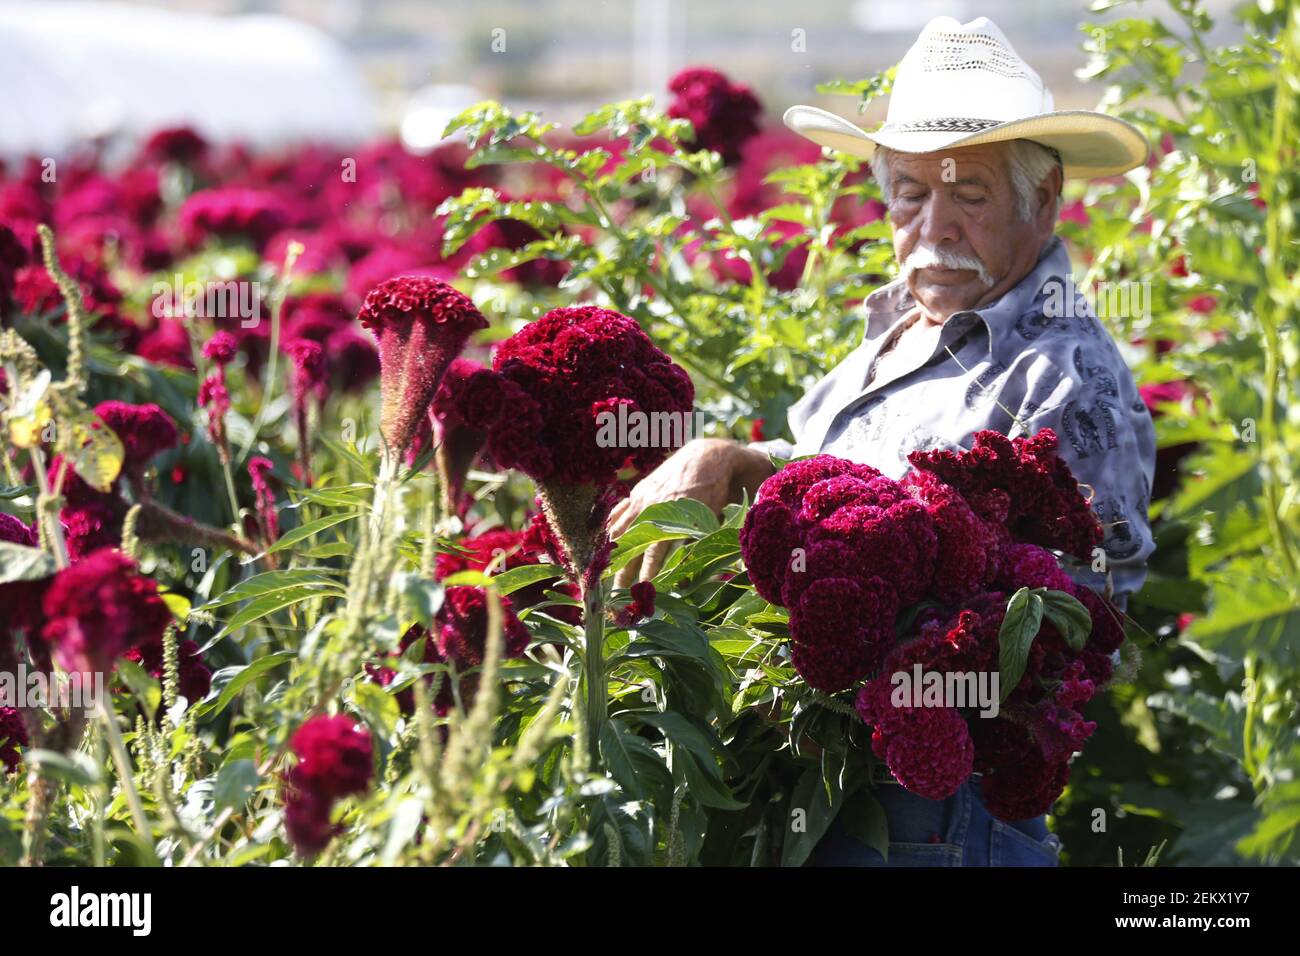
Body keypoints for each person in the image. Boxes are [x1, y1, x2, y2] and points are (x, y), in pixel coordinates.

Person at [608, 16, 1156, 866]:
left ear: (1040, 200)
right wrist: (730, 460)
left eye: (969, 195)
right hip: (823, 791)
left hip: (935, 815)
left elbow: (1088, 622)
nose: (933, 225)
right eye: (909, 191)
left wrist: (926, 652)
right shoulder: (898, 328)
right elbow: (832, 483)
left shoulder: (1060, 373)